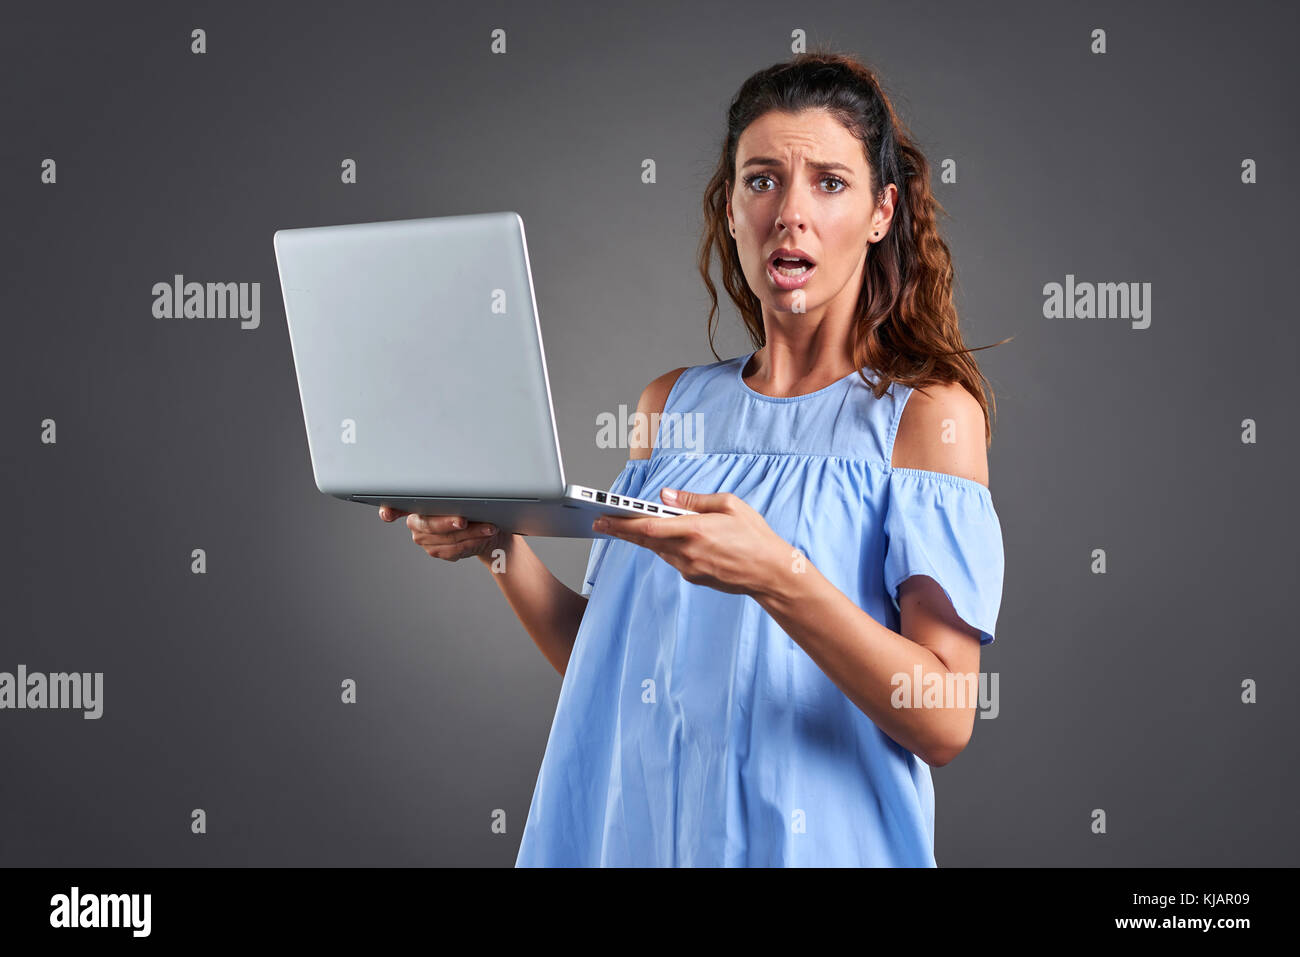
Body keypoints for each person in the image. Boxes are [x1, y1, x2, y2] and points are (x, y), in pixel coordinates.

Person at [381, 50, 1010, 866]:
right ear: (731, 206)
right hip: (642, 835)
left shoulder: (926, 420)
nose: (791, 214)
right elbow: (607, 657)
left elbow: (945, 716)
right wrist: (498, 541)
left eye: (829, 182)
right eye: (761, 180)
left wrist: (779, 574)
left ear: (882, 211)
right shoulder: (668, 406)